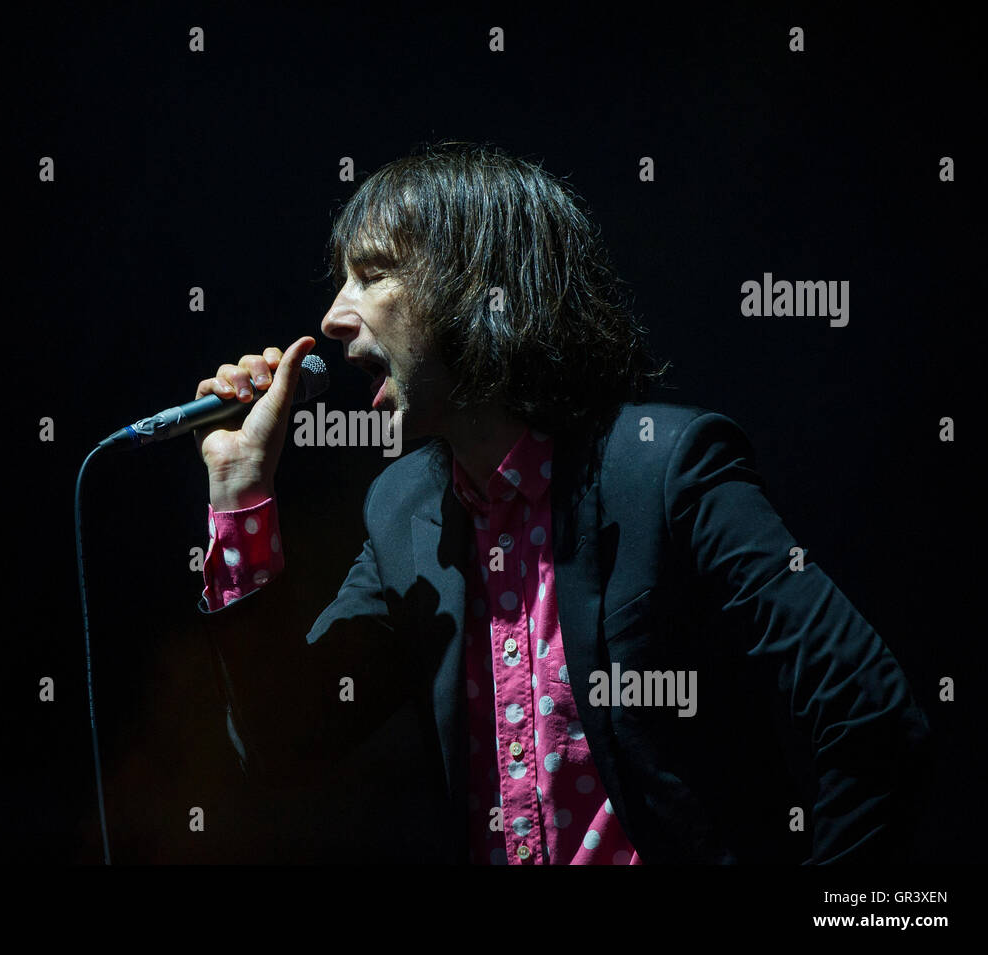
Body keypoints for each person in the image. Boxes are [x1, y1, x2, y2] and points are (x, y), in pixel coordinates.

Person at [189, 142, 931, 864]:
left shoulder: (664, 470)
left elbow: (870, 712)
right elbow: (286, 744)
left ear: (482, 284)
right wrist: (241, 490)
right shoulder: (405, 513)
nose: (333, 317)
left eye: (373, 273)